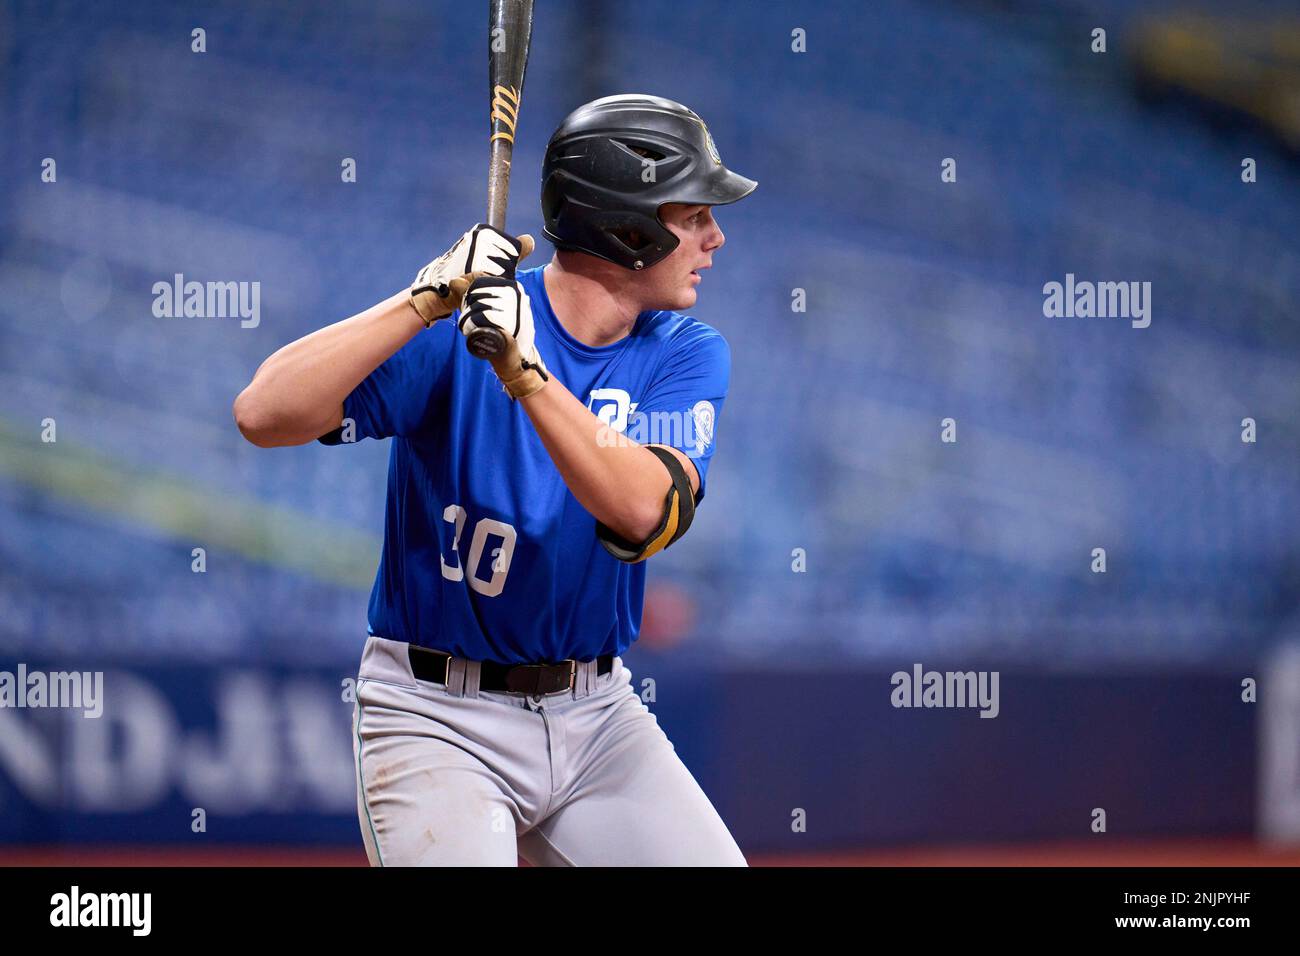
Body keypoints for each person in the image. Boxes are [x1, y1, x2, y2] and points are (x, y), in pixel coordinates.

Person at [232, 93, 756, 866]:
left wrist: (526, 373)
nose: (716, 236)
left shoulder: (684, 350)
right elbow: (262, 413)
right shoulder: (456, 336)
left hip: (600, 716)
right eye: (695, 213)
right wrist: (423, 300)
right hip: (434, 714)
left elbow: (646, 513)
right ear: (627, 225)